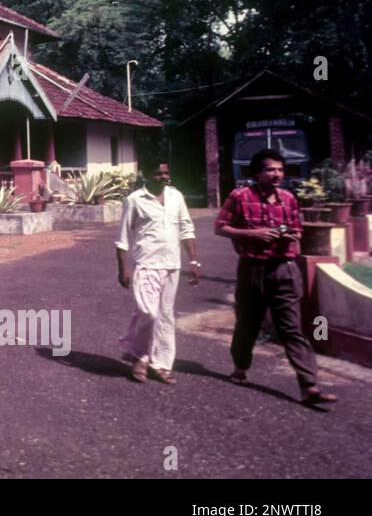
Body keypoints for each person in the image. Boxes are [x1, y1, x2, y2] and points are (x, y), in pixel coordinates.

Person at [215, 148, 337, 407]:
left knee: (292, 328)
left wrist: (290, 235)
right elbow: (220, 227)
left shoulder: (289, 199)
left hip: (284, 269)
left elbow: (297, 230)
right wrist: (253, 235)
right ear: (257, 172)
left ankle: (309, 386)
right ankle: (240, 367)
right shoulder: (240, 196)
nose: (277, 174)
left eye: (280, 170)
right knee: (248, 325)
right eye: (271, 169)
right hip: (251, 270)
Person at [116, 160, 200, 384]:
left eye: (166, 173)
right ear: (146, 175)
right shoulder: (135, 200)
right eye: (158, 173)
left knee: (165, 316)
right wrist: (123, 268)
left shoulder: (176, 197)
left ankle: (160, 363)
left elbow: (186, 228)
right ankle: (140, 356)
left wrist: (194, 261)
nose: (163, 177)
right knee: (148, 312)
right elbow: (122, 238)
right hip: (146, 264)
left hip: (172, 265)